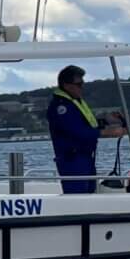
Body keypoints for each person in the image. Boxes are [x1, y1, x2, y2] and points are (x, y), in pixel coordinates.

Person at [47, 65, 99, 194]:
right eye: (79, 84)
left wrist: (106, 121)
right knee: (77, 196)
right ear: (66, 85)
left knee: (89, 194)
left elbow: (87, 123)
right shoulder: (61, 107)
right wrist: (105, 133)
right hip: (72, 159)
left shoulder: (75, 103)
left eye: (82, 84)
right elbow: (76, 131)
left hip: (85, 157)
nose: (82, 87)